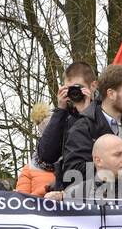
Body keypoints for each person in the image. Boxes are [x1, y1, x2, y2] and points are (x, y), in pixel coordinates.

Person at [59, 64, 122, 194]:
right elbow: (72, 175)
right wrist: (118, 165)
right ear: (111, 94)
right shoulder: (83, 127)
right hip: (93, 208)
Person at [37, 61, 96, 190]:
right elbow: (46, 155)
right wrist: (60, 110)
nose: (74, 92)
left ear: (93, 86)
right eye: (69, 89)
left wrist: (86, 114)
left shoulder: (104, 112)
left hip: (98, 188)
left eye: (78, 87)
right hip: (67, 191)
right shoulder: (63, 117)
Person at [17, 103, 57, 197]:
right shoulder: (29, 169)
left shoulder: (73, 163)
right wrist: (46, 190)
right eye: (48, 138)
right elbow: (21, 203)